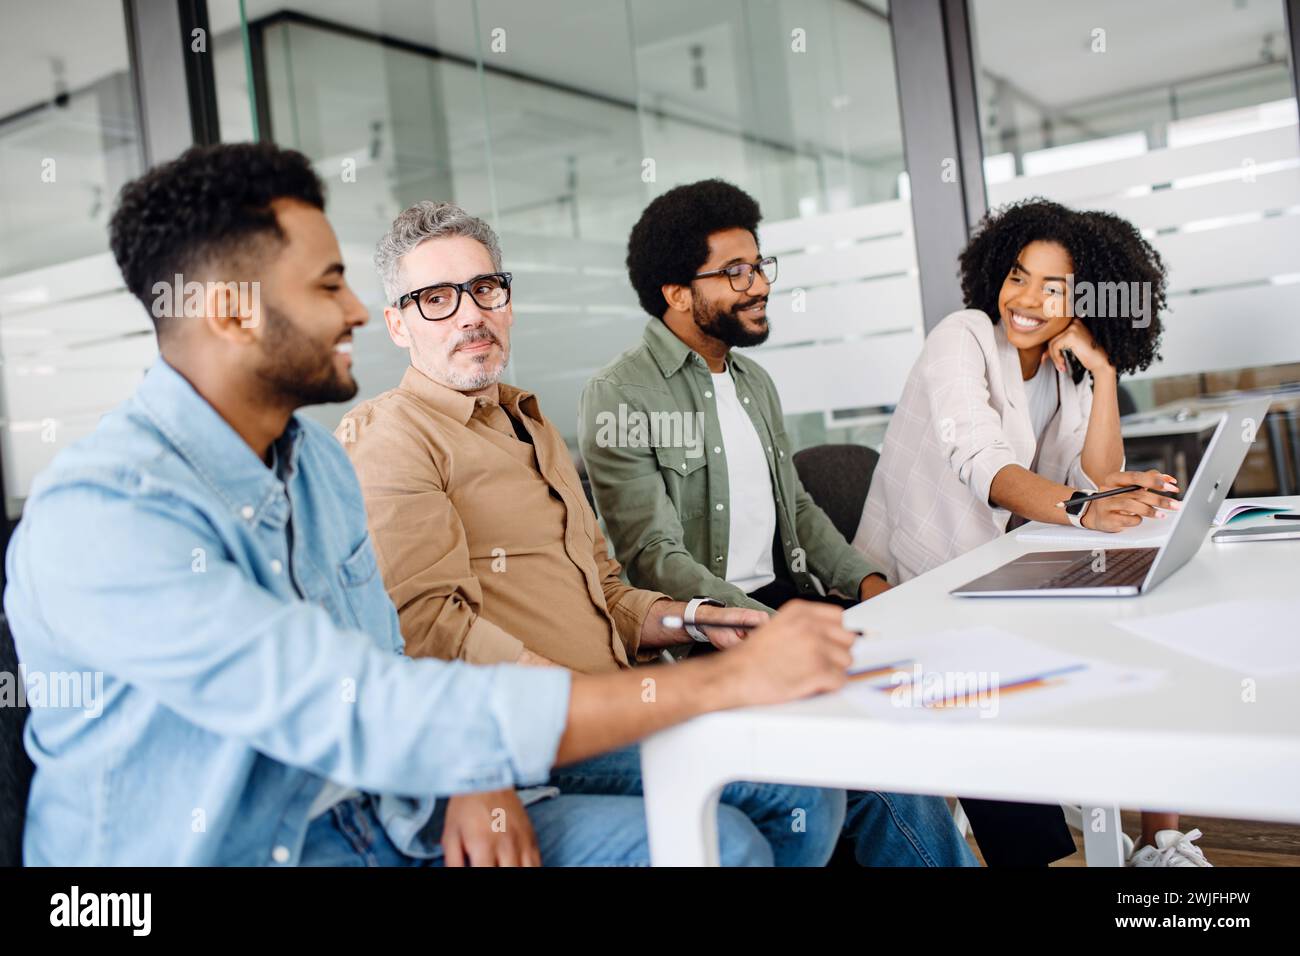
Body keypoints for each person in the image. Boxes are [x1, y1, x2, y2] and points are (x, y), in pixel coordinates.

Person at [2, 143, 855, 867]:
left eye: (485, 290)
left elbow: (390, 665)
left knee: (794, 791)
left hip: (380, 812)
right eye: (331, 284)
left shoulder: (313, 472)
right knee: (733, 829)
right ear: (231, 313)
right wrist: (724, 685)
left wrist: (469, 767)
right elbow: (361, 696)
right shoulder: (107, 513)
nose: (358, 312)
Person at [335, 198, 846, 865]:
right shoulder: (392, 438)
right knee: (774, 802)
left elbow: (605, 589)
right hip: (537, 729)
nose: (470, 313)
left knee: (815, 773)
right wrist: (595, 698)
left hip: (615, 698)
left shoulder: (531, 424)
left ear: (507, 301)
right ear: (398, 324)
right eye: (435, 298)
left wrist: (695, 619)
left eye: (484, 288)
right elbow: (432, 626)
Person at [577, 179, 976, 867]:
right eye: (735, 272)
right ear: (676, 292)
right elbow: (652, 554)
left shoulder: (754, 382)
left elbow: (796, 511)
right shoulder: (620, 393)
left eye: (759, 266)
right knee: (874, 752)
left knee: (938, 689)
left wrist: (871, 585)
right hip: (707, 632)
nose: (758, 284)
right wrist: (762, 626)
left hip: (786, 606)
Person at [853, 197, 1208, 867]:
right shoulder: (962, 337)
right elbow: (983, 463)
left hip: (1005, 580)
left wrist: (1102, 373)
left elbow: (1097, 471)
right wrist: (1081, 508)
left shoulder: (1061, 365)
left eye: (1054, 288)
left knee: (1139, 630)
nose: (1026, 298)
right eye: (1019, 274)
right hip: (919, 590)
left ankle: (1161, 846)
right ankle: (1062, 846)